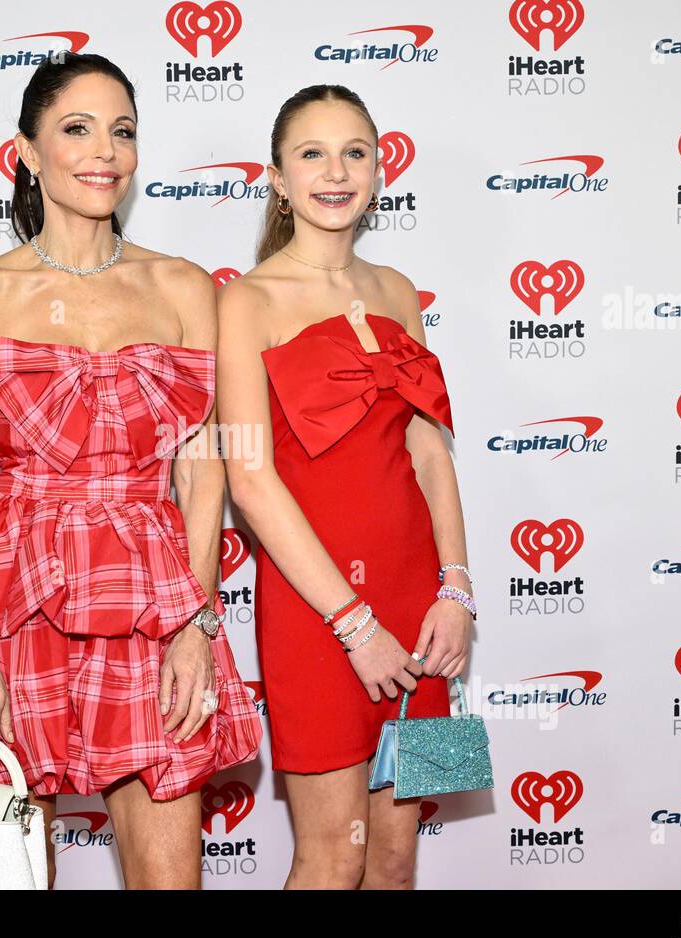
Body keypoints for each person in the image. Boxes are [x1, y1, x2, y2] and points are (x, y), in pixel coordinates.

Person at [0, 52, 261, 890]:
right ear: (27, 150)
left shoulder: (183, 285)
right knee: (11, 871)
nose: (105, 151)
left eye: (122, 131)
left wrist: (197, 626)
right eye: (77, 129)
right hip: (16, 598)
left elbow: (204, 471)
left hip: (151, 596)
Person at [216, 84, 475, 889]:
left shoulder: (400, 290)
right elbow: (249, 479)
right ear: (278, 179)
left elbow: (430, 449)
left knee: (397, 861)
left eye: (355, 151)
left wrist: (457, 590)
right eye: (312, 153)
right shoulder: (244, 301)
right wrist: (354, 624)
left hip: (423, 609)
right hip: (319, 611)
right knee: (334, 859)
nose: (337, 171)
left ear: (379, 170)